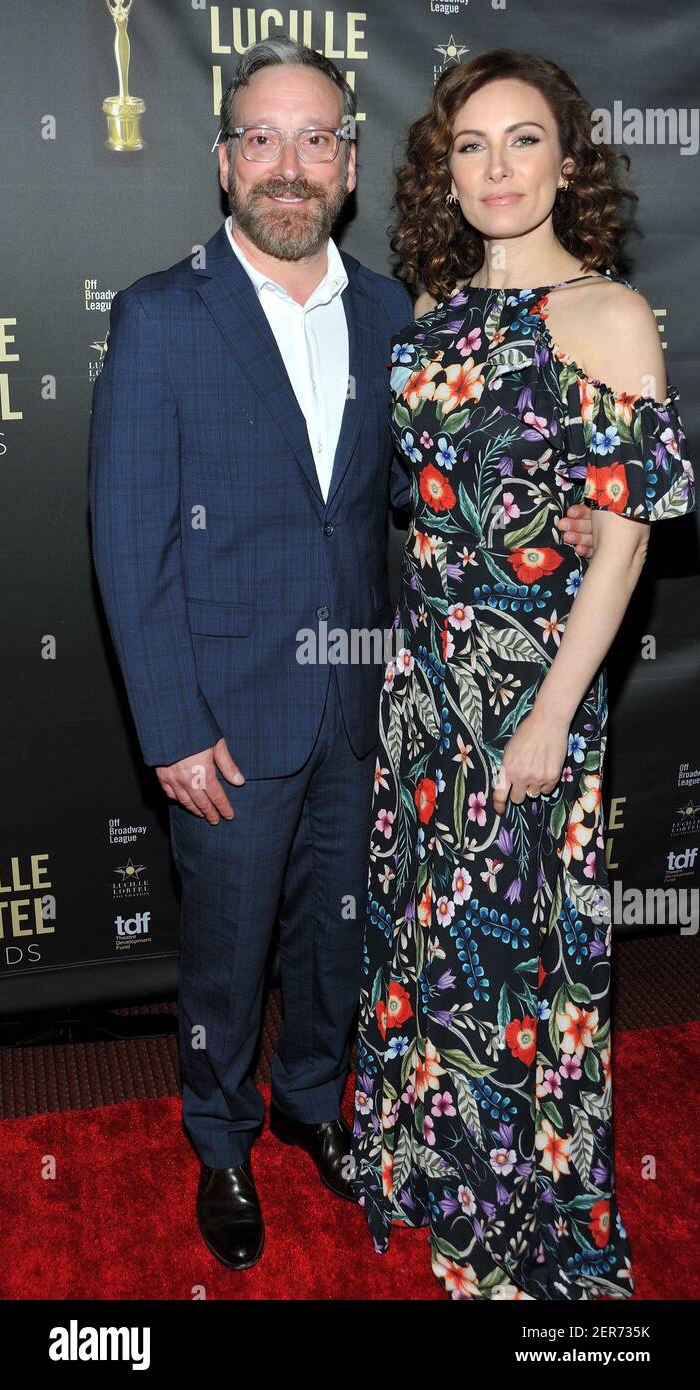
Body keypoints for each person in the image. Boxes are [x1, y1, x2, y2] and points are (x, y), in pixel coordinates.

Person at [88, 36, 593, 1274]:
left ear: (350, 168)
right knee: (225, 946)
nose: (288, 164)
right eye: (260, 137)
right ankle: (220, 1137)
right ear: (222, 161)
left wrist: (562, 508)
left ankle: (316, 1098)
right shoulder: (162, 315)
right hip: (225, 717)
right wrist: (169, 727)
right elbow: (127, 543)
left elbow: (440, 482)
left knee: (334, 934)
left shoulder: (392, 317)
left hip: (369, 706)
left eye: (315, 138)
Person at [350, 47, 696, 1300]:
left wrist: (552, 711)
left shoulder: (606, 314)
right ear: (442, 173)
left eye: (523, 141)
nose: (496, 170)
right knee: (433, 945)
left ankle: (520, 1235)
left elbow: (624, 535)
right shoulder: (430, 318)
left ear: (567, 160)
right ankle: (449, 1190)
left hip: (533, 694)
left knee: (513, 968)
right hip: (427, 692)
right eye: (468, 147)